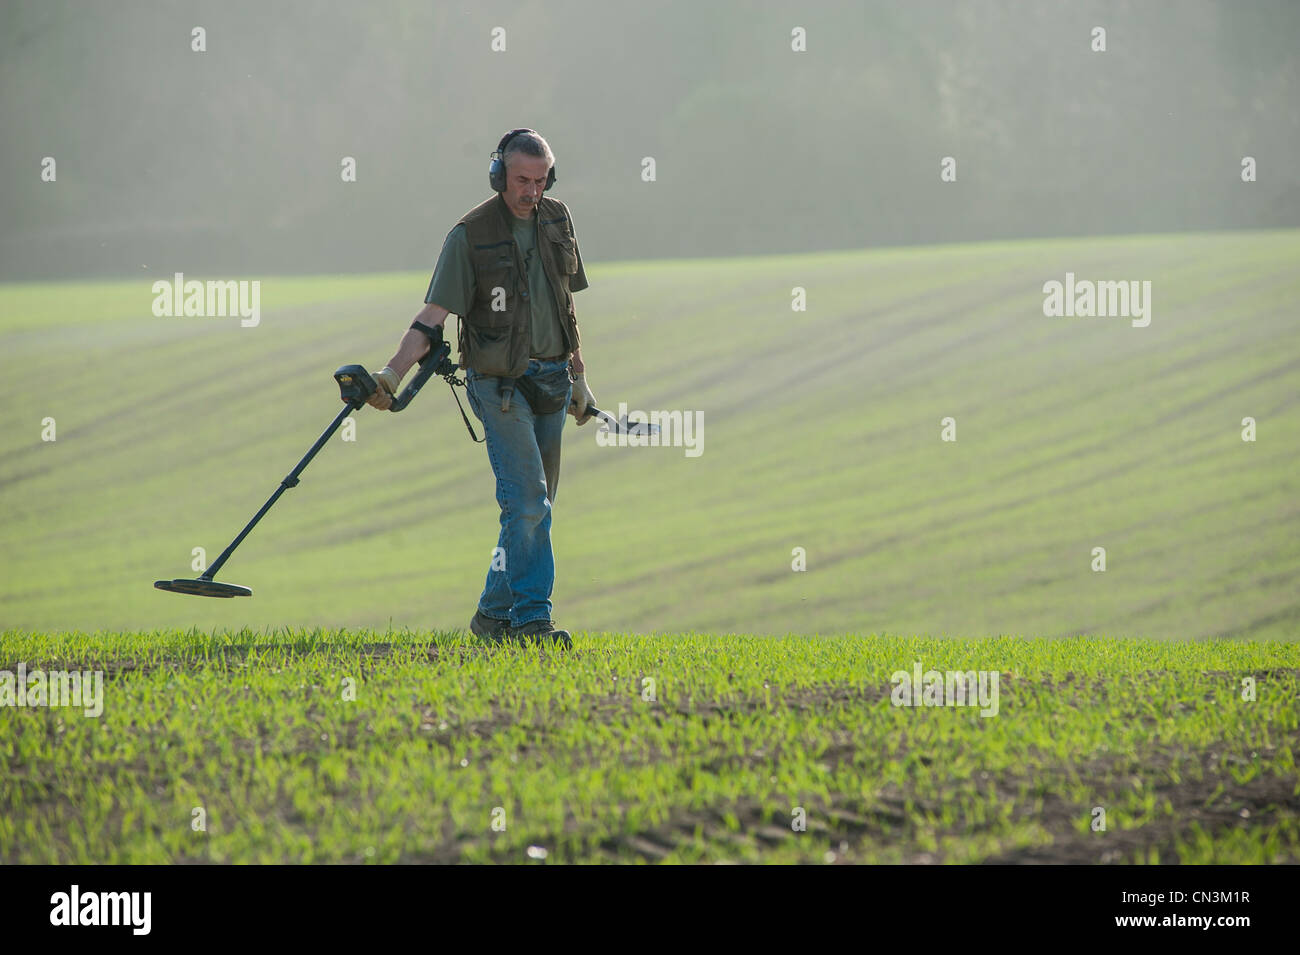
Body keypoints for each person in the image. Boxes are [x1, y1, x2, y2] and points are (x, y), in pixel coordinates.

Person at [364, 129, 595, 649]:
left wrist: (580, 377)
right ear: (498, 175)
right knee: (529, 502)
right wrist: (391, 375)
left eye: (540, 181)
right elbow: (430, 320)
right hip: (500, 386)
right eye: (520, 180)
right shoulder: (469, 235)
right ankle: (532, 621)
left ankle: (493, 617)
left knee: (532, 507)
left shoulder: (558, 220)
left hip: (553, 381)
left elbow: (565, 305)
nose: (531, 192)